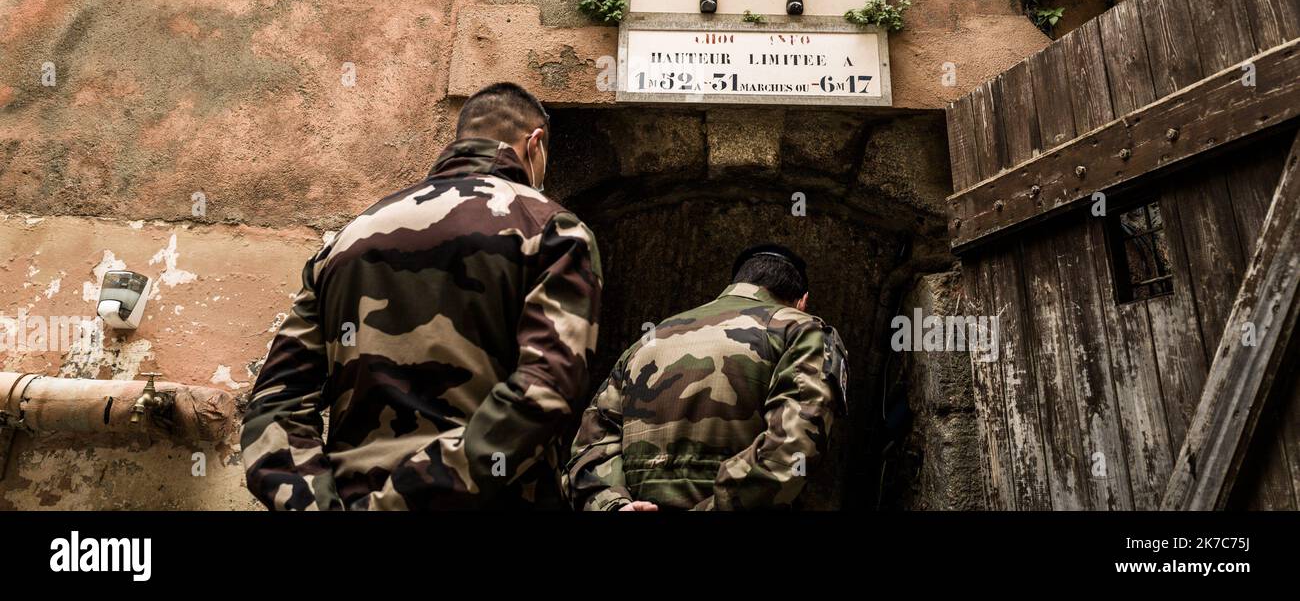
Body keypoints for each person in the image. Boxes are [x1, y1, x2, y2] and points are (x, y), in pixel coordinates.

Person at [241, 82, 603, 510]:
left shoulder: (347, 240)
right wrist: (405, 500)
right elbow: (545, 392)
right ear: (535, 143)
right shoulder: (552, 231)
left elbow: (273, 406)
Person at [566, 244, 847, 511]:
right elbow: (796, 442)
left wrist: (613, 504)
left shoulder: (648, 341)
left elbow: (589, 447)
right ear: (802, 301)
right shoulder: (801, 329)